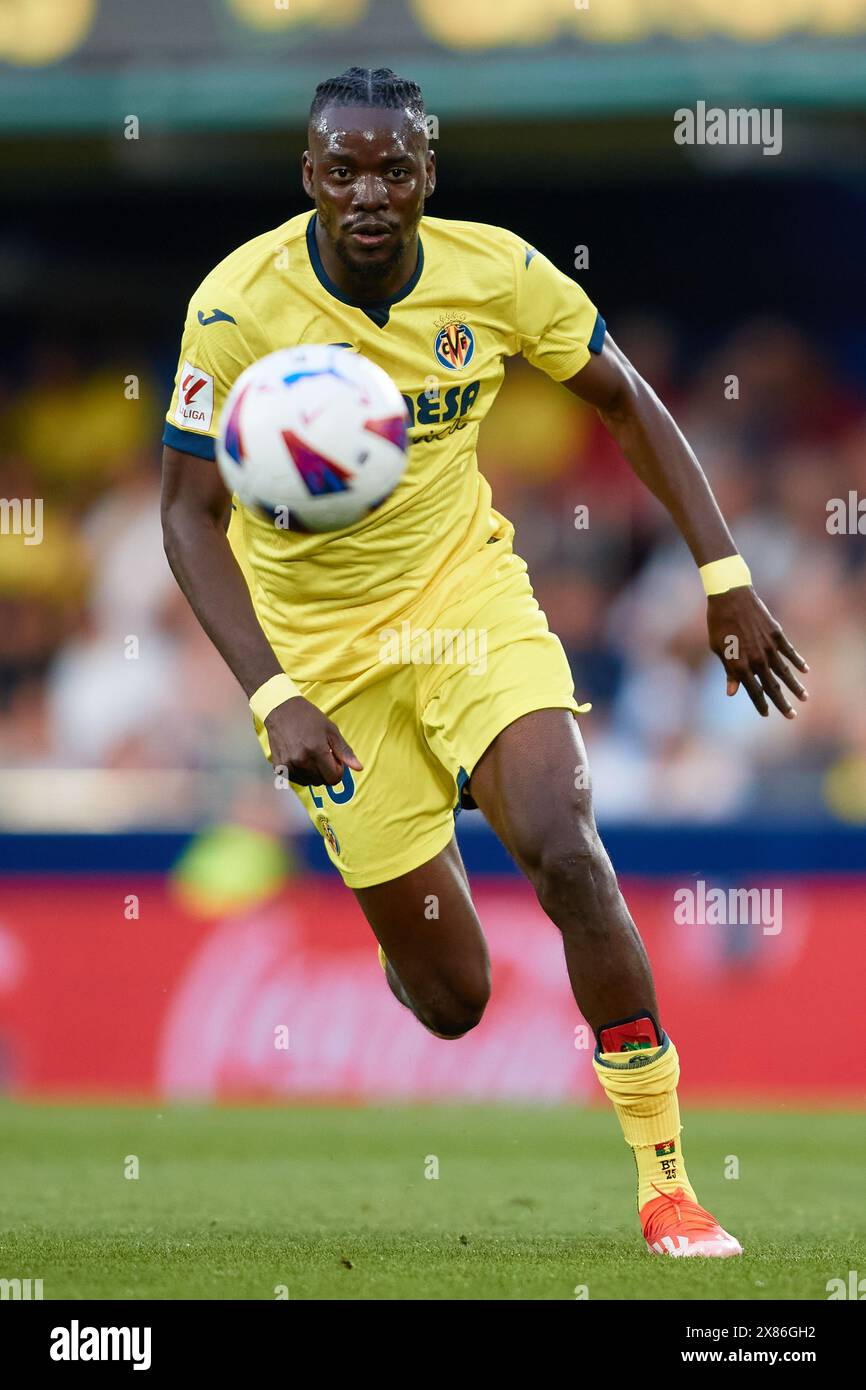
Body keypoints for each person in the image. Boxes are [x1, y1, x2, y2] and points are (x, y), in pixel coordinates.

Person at [161, 67, 809, 1257]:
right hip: (325, 668)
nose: (368, 190)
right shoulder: (237, 304)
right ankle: (419, 868)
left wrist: (725, 581)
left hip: (468, 608)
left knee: (566, 850)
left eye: (392, 168)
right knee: (453, 1002)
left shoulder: (498, 273)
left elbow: (626, 404)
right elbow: (187, 515)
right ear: (307, 176)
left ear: (427, 177)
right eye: (342, 168)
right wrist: (273, 693)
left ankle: (666, 1183)